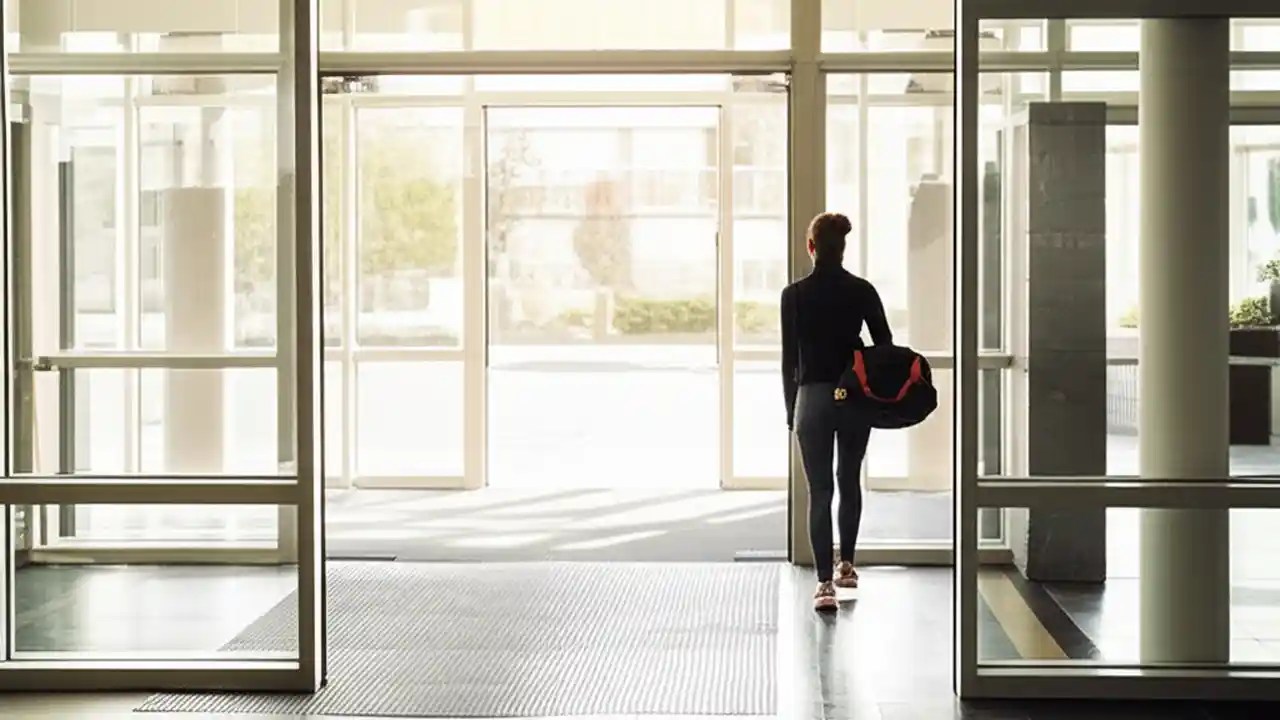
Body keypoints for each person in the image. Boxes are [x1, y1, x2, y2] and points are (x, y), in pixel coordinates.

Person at [781, 212, 892, 612]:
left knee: (820, 491)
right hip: (854, 398)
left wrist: (789, 409)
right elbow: (885, 346)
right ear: (842, 248)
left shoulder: (793, 295)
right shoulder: (862, 290)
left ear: (811, 247)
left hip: (811, 398)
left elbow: (788, 360)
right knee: (849, 479)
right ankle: (847, 565)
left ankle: (824, 585)